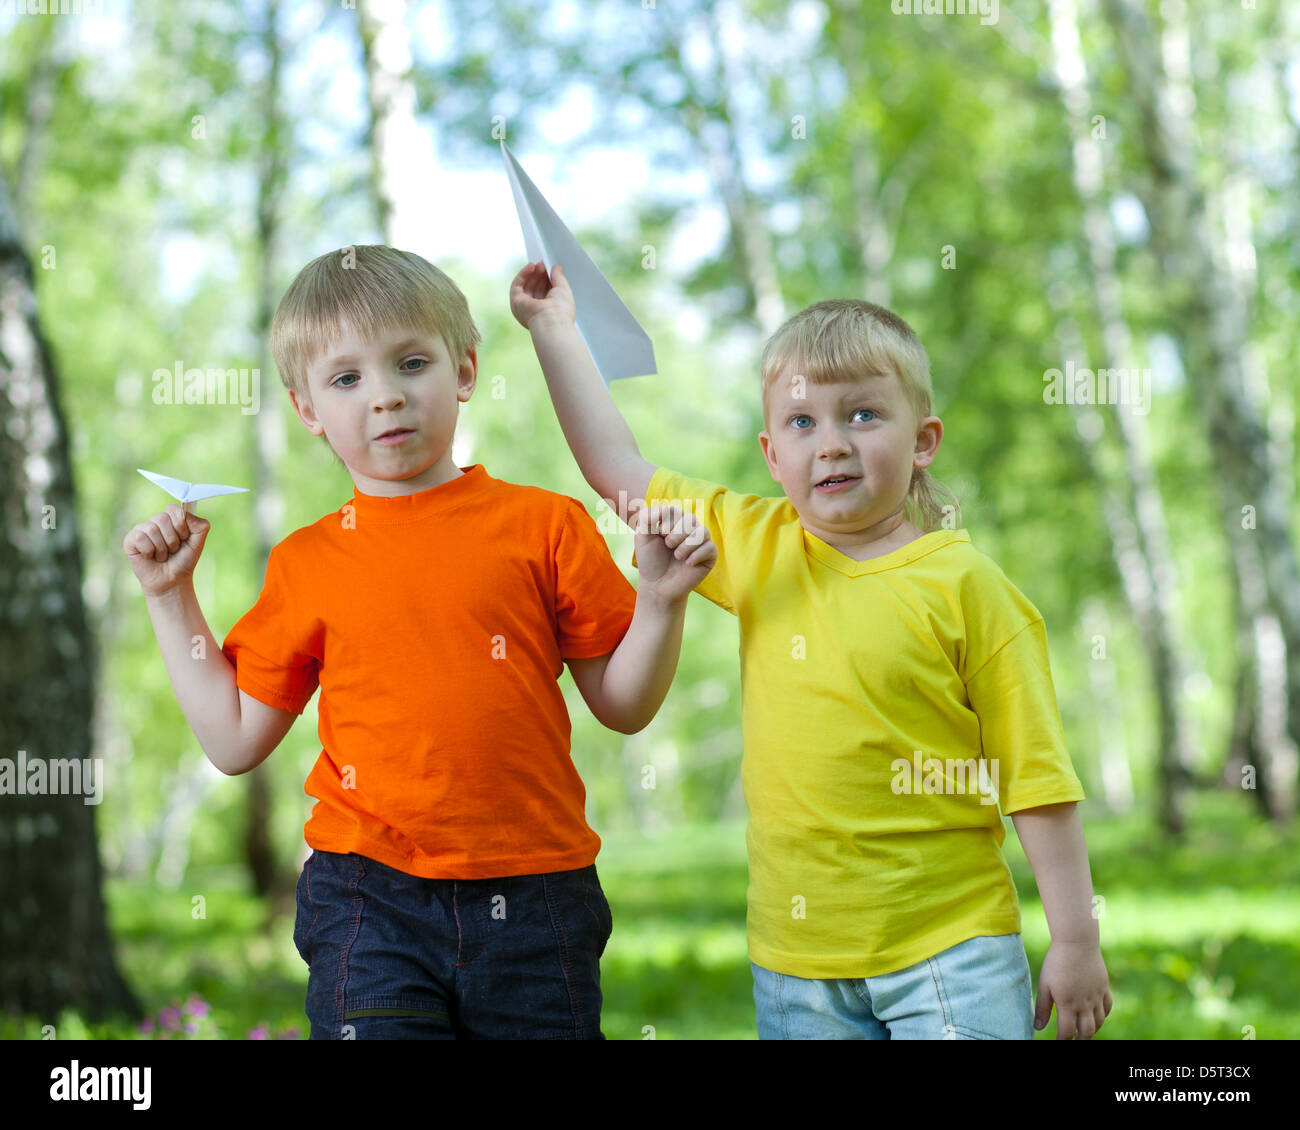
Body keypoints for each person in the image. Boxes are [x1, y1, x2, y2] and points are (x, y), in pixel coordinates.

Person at [123, 244, 716, 1039]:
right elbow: (231, 740)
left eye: (410, 363)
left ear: (464, 371)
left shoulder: (543, 526)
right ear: (306, 410)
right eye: (346, 379)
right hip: (368, 899)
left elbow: (624, 703)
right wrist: (170, 599)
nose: (385, 398)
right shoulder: (307, 561)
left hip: (539, 895)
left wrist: (662, 600)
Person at [511, 260, 1113, 1040]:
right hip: (795, 961)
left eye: (862, 415)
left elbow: (1036, 780)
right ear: (771, 455)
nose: (830, 445)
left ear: (923, 440)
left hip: (949, 950)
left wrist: (1075, 939)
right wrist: (555, 329)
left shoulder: (970, 587)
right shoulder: (756, 545)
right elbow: (616, 470)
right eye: (803, 423)